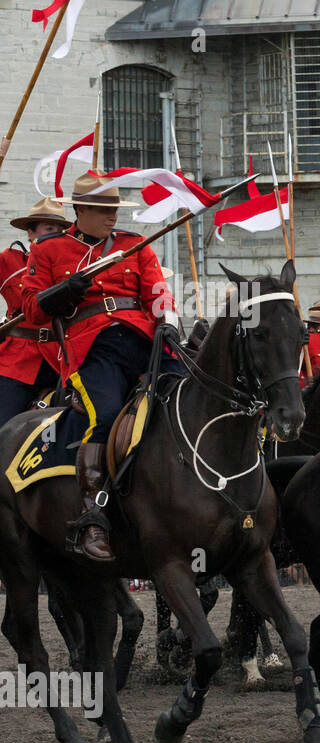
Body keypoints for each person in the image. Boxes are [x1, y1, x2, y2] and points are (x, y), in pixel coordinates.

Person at [22, 173, 181, 561]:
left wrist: (170, 324)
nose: (112, 217)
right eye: (103, 210)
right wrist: (60, 293)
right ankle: (93, 514)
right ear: (81, 210)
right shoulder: (49, 250)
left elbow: (158, 293)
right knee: (105, 415)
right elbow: (30, 309)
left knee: (191, 400)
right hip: (92, 346)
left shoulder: (134, 246)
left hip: (144, 340)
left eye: (114, 210)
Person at [0, 197, 71, 423]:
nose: (55, 234)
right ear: (30, 233)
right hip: (18, 361)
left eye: (60, 230)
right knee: (5, 424)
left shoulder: (71, 265)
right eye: (49, 229)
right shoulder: (9, 261)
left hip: (60, 357)